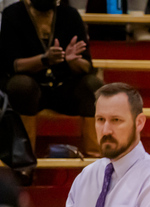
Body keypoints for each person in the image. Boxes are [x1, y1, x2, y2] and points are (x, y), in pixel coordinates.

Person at [0, 0, 103, 155]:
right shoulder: (13, 14)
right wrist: (44, 60)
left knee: (93, 84)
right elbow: (13, 65)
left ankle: (95, 161)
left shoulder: (70, 15)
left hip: (63, 88)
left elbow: (87, 66)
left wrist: (73, 62)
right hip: (30, 91)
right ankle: (23, 162)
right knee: (21, 85)